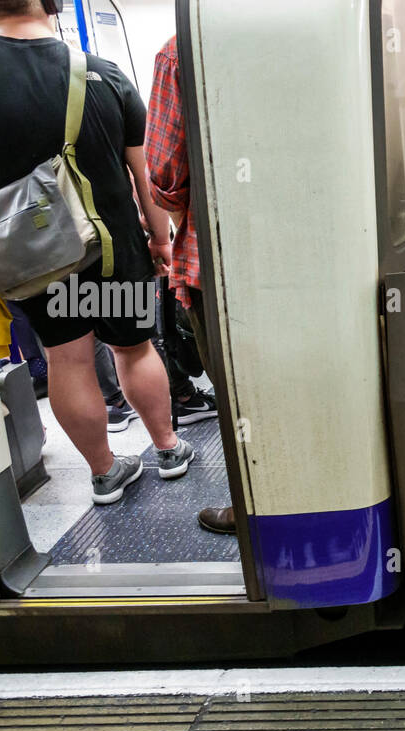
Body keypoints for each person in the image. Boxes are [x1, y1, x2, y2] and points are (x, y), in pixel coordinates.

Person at [0, 0, 194, 505]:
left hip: (32, 254)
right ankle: (168, 449)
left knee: (69, 360)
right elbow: (144, 179)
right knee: (134, 348)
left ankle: (104, 473)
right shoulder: (104, 74)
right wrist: (160, 239)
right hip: (111, 249)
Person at [146, 34, 235, 535]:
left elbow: (166, 170)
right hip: (315, 254)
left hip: (221, 257)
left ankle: (259, 506)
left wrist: (179, 216)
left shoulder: (182, 48)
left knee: (239, 388)